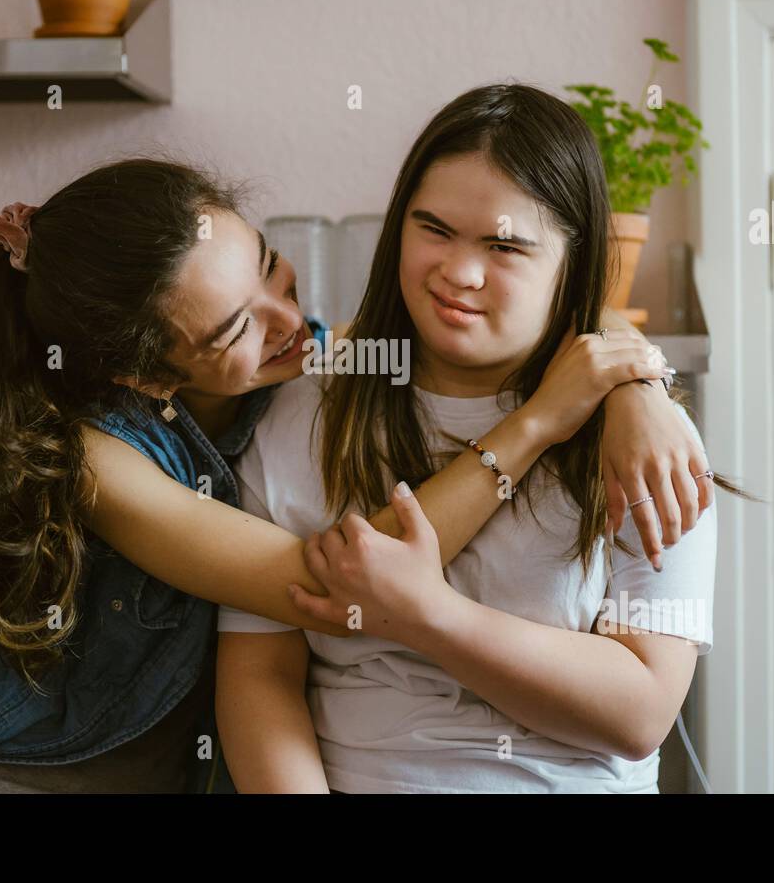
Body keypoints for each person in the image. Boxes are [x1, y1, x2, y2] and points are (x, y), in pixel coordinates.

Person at [0, 152, 706, 794]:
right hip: (7, 770)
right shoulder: (99, 462)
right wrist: (538, 424)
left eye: (275, 272)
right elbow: (334, 582)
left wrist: (639, 389)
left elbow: (526, 325)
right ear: (148, 375)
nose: (293, 322)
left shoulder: (297, 364)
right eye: (236, 328)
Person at [216, 84, 743, 793]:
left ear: (572, 264)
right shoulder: (304, 408)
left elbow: (642, 708)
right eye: (433, 229)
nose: (458, 274)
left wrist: (427, 616)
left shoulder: (645, 438)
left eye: (504, 246)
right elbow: (261, 679)